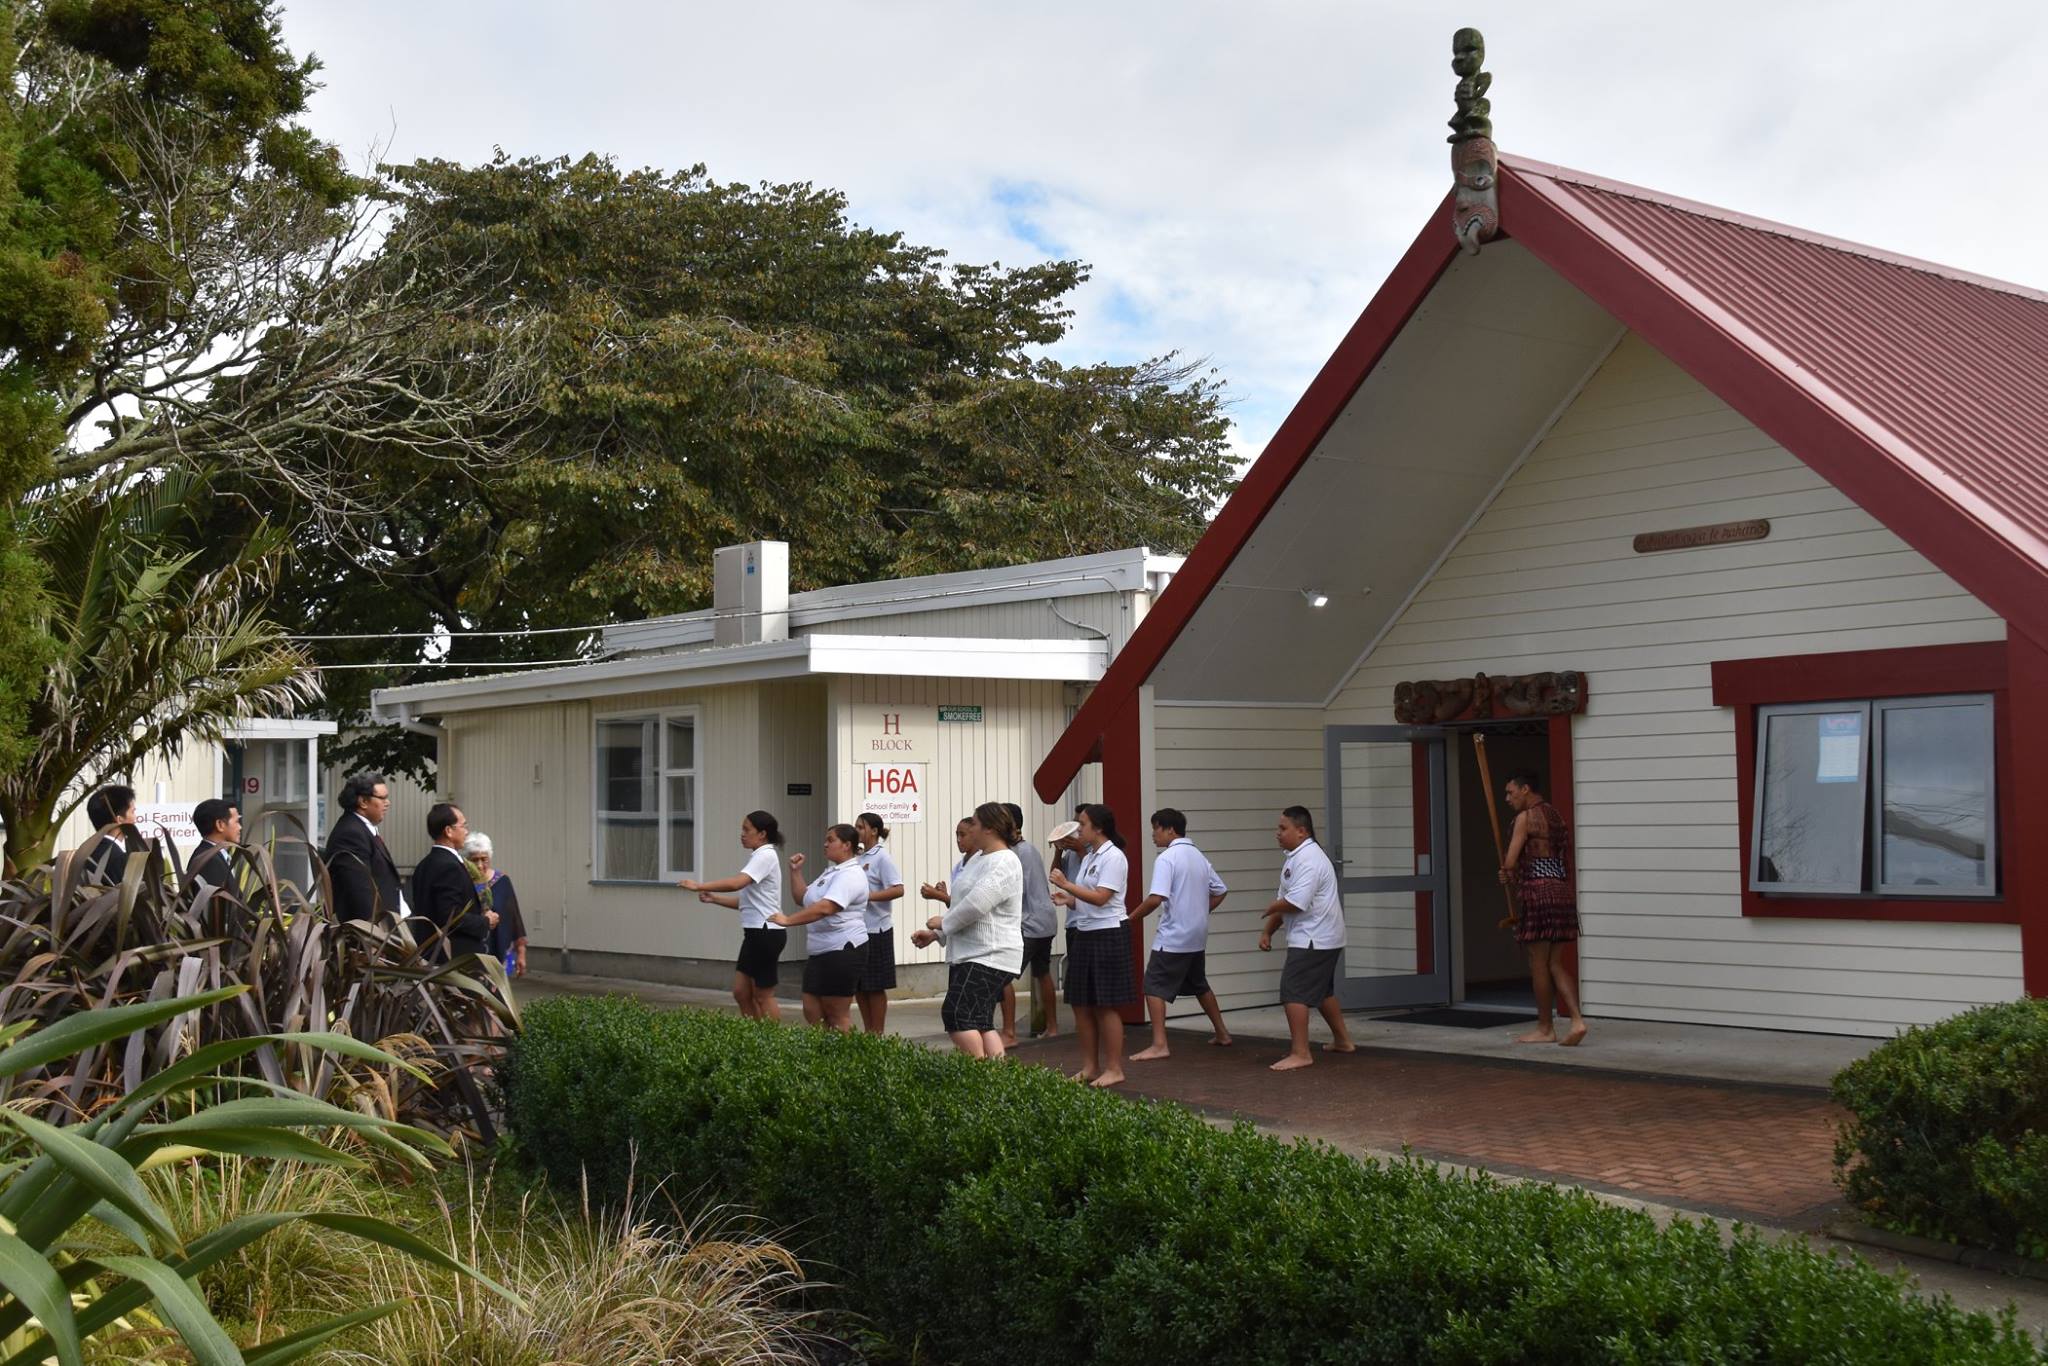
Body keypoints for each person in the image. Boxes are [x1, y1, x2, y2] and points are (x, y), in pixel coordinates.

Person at [913, 803, 1024, 1058]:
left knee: (957, 1014)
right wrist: (937, 935)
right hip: (971, 952)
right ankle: (994, 1076)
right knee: (979, 1020)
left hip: (990, 954)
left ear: (989, 828)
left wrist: (943, 923)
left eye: (973, 823)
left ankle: (977, 1071)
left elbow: (977, 904)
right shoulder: (978, 859)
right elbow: (962, 904)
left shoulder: (1005, 861)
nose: (969, 828)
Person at [1257, 806, 1355, 1071]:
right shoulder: (1295, 857)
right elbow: (1286, 899)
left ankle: (1301, 1053)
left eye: (1283, 828)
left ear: (1301, 831)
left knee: (1294, 992)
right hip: (1321, 936)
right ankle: (1343, 1041)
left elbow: (1295, 903)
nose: (1277, 833)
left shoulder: (1309, 859)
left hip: (1314, 937)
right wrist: (1268, 931)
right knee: (1322, 991)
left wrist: (1272, 907)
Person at [1129, 808, 1232, 1060]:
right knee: (1199, 984)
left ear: (1170, 830)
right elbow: (1220, 890)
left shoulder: (1167, 858)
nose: (1153, 834)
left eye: (1156, 828)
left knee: (1153, 986)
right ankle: (1222, 1033)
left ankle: (1159, 1044)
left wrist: (1130, 919)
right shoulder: (1198, 856)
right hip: (1196, 935)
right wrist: (1199, 912)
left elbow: (1156, 898)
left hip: (1173, 936)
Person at [1047, 803, 1134, 1088]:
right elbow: (1086, 897)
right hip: (1085, 931)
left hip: (1108, 933)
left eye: (1082, 824)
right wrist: (1069, 899)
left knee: (1105, 1005)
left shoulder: (1114, 857)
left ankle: (1114, 1068)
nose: (1078, 829)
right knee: (1081, 1003)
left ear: (1098, 828)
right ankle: (1090, 1066)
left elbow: (1101, 897)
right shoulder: (1090, 856)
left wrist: (1066, 885)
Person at [1499, 772, 1588, 1047]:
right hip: (1561, 892)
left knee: (1538, 963)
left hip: (1538, 893)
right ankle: (1577, 1020)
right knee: (1555, 963)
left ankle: (1545, 1028)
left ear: (1525, 789)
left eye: (1511, 792)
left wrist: (1506, 872)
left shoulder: (1525, 818)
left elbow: (1511, 861)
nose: (1507, 798)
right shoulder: (1555, 816)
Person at [680, 811, 788, 1020]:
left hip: (766, 933)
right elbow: (747, 903)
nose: (742, 834)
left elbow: (736, 883)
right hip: (755, 933)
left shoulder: (765, 855)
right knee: (741, 992)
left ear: (762, 834)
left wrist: (699, 886)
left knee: (763, 995)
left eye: (747, 830)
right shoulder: (759, 856)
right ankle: (752, 1034)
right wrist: (714, 899)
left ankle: (770, 1038)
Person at [770, 823, 869, 1031]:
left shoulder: (851, 874)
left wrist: (788, 920)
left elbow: (826, 907)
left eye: (830, 840)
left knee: (836, 1013)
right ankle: (825, 1051)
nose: (825, 844)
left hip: (843, 948)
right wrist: (795, 872)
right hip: (819, 950)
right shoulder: (831, 873)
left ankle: (849, 1051)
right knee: (811, 1009)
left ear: (846, 845)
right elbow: (803, 898)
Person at [409, 803, 496, 960]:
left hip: (428, 954)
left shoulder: (423, 865)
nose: (467, 831)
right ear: (448, 831)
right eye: (464, 826)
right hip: (453, 958)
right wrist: (485, 921)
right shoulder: (449, 866)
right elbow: (450, 916)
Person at [1005, 802, 1059, 1040]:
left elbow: (1017, 890)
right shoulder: (1028, 849)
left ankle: (1009, 1032)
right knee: (1042, 972)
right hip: (1045, 921)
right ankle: (1052, 1027)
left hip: (1030, 923)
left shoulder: (1019, 853)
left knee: (1002, 976)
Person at [322, 772, 404, 923]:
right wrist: (377, 931)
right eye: (382, 798)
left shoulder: (360, 829)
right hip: (371, 930)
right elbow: (360, 893)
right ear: (363, 802)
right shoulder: (351, 834)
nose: (388, 803)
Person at [852, 812, 905, 1035]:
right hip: (857, 929)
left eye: (861, 827)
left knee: (874, 986)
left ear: (874, 831)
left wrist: (868, 896)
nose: (857, 831)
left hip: (877, 929)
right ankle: (868, 1032)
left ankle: (877, 1033)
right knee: (860, 986)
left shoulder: (882, 857)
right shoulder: (858, 857)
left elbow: (898, 889)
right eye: (855, 826)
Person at [463, 831, 529, 979]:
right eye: (474, 860)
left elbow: (515, 918)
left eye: (484, 859)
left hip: (499, 949)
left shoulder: (502, 881)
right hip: (470, 953)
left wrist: (521, 952)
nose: (480, 865)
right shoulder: (463, 883)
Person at [82, 783, 139, 884]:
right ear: (119, 820)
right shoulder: (120, 859)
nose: (136, 818)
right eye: (132, 812)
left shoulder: (85, 855)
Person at [187, 798, 241, 891]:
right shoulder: (210, 861)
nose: (240, 827)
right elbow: (218, 899)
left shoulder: (211, 855)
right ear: (220, 825)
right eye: (236, 822)